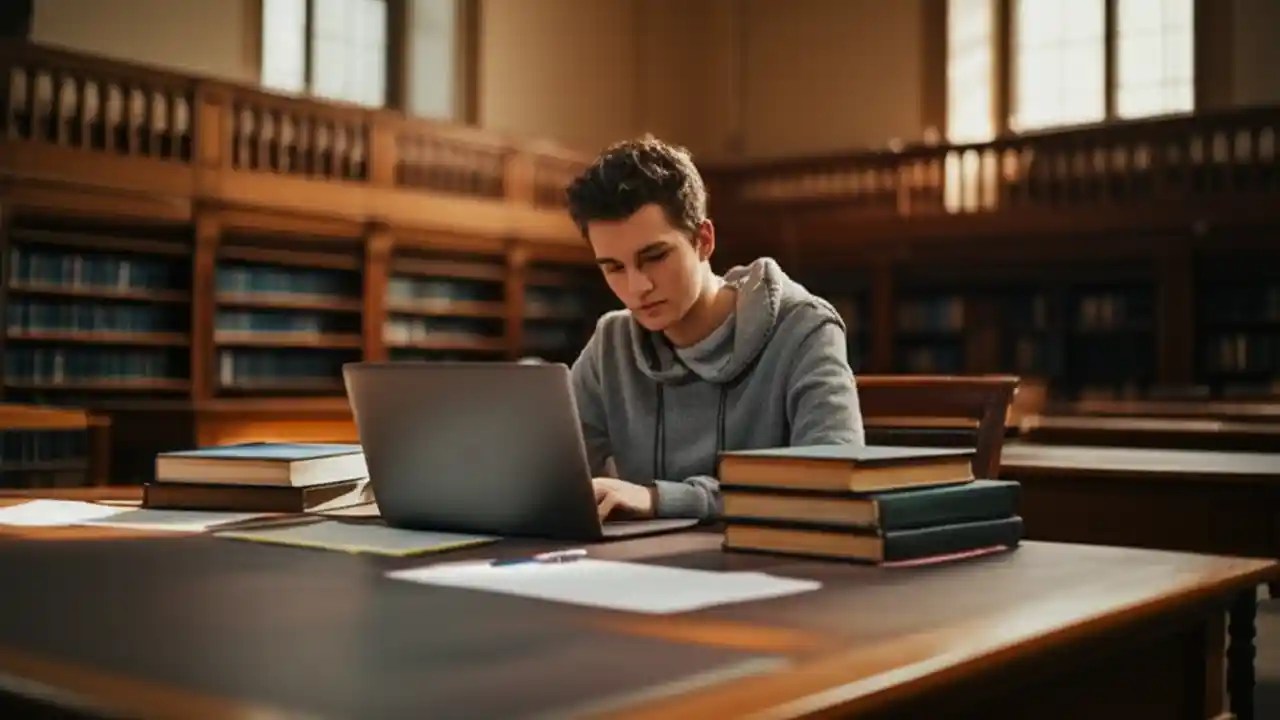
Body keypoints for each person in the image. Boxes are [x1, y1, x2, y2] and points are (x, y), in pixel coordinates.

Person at [565, 135, 866, 523]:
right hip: (643, 569)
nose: (637, 287)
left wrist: (663, 499)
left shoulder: (804, 329)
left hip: (773, 568)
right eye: (613, 267)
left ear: (703, 240)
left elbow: (834, 479)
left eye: (654, 257)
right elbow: (550, 479)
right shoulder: (612, 342)